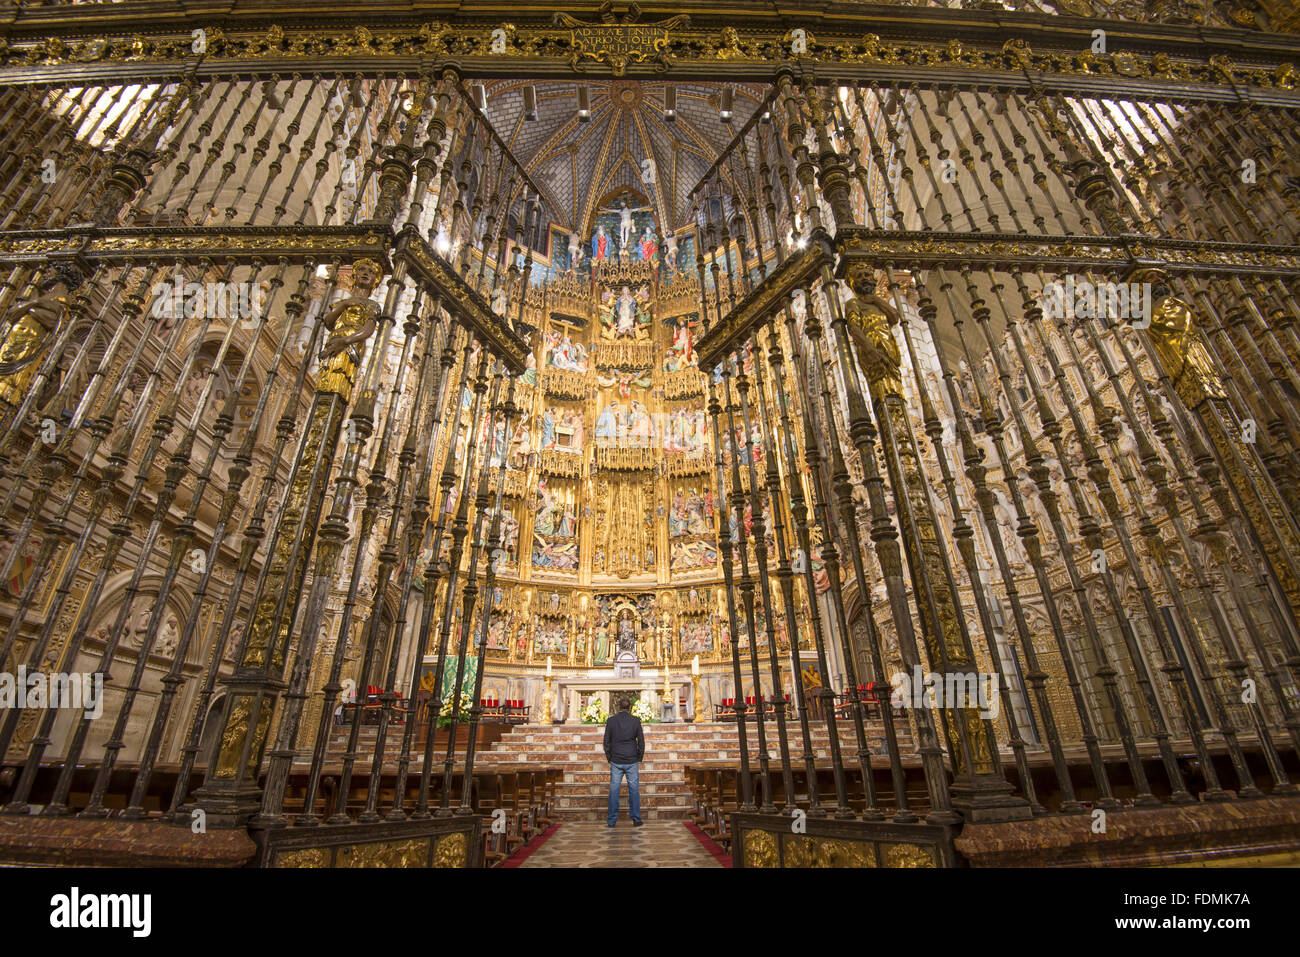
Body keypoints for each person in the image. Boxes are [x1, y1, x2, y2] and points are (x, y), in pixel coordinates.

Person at [603, 696, 645, 827]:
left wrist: (610, 757)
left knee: (614, 790)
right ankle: (636, 818)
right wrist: (639, 757)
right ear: (630, 707)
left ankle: (611, 820)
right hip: (631, 759)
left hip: (616, 759)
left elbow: (606, 741)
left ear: (618, 707)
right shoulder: (635, 721)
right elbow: (641, 742)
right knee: (634, 790)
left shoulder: (611, 721)